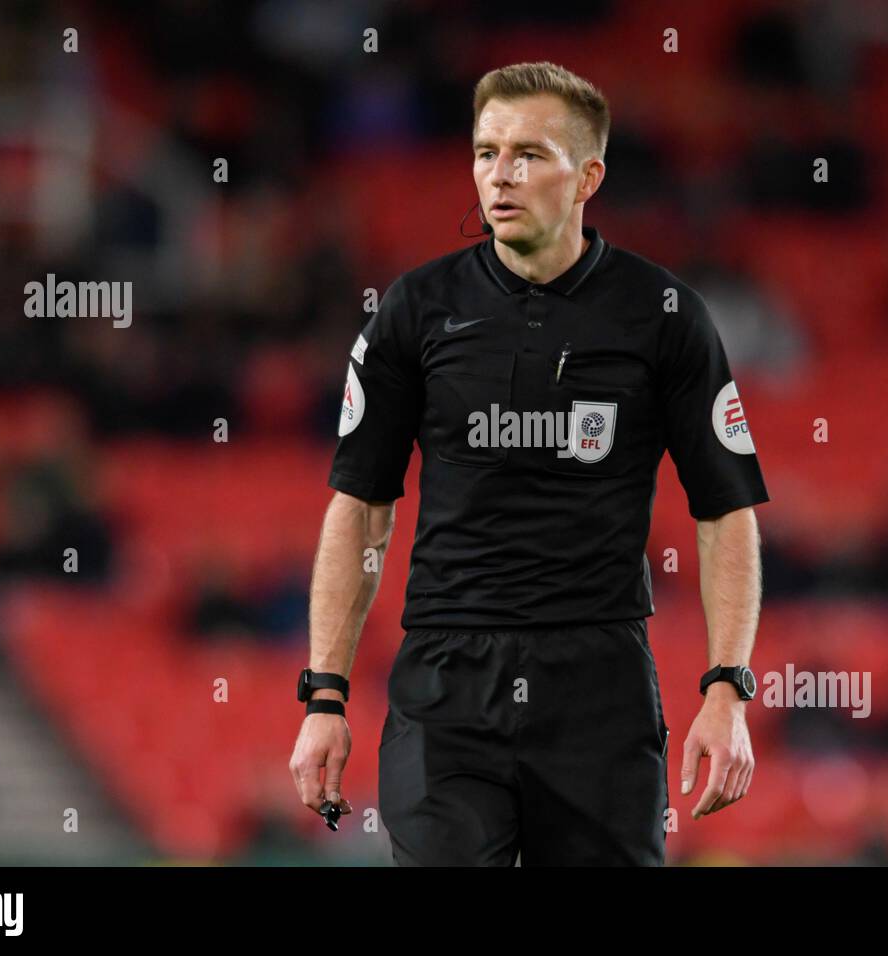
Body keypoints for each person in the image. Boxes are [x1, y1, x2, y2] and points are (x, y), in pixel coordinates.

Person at [289, 62, 770, 865]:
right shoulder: (414, 310)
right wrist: (325, 694)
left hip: (599, 684)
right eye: (485, 152)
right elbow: (362, 507)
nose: (498, 175)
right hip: (447, 683)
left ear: (589, 177)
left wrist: (727, 689)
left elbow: (724, 510)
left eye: (527, 155)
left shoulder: (664, 317)